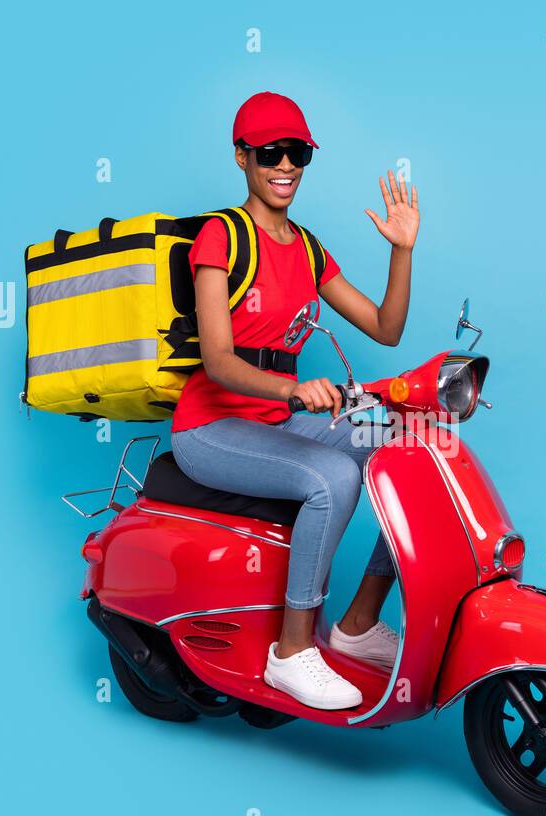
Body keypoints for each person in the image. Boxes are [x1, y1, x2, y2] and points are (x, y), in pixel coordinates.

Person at [170, 91, 420, 711]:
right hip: (210, 429)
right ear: (242, 158)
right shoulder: (221, 237)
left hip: (274, 426)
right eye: (270, 153)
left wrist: (402, 249)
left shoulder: (307, 249)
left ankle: (358, 624)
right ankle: (291, 650)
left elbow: (385, 329)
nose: (285, 166)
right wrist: (292, 388)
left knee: (408, 451)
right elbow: (218, 361)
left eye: (298, 153)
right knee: (334, 475)